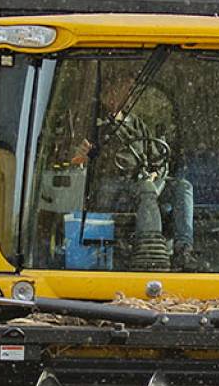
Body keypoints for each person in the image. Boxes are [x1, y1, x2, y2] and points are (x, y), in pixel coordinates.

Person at [75, 77, 196, 270]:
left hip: (144, 178)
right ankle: (150, 252)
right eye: (123, 90)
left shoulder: (137, 123)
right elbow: (79, 158)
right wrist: (83, 157)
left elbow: (154, 153)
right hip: (114, 184)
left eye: (130, 91)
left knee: (183, 186)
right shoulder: (93, 125)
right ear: (108, 94)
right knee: (146, 189)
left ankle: (183, 249)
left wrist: (155, 173)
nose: (127, 96)